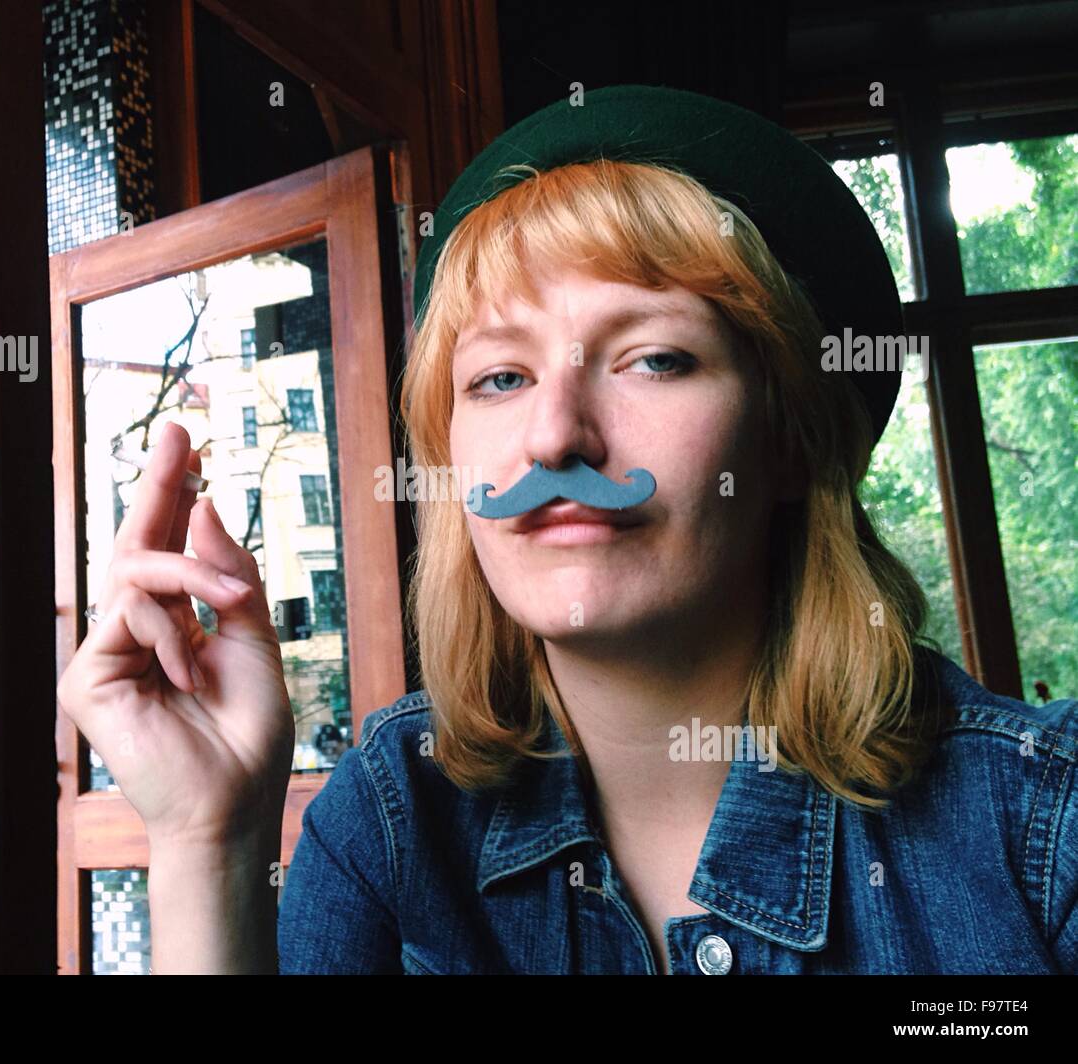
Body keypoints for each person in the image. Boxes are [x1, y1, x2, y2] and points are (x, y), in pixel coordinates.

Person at [55, 85, 1078, 975]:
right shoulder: (386, 822)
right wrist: (206, 838)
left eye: (653, 359)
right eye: (499, 376)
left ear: (790, 444)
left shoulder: (1044, 822)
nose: (553, 434)